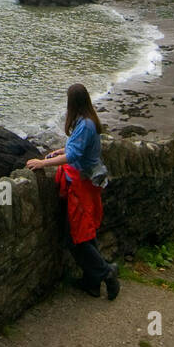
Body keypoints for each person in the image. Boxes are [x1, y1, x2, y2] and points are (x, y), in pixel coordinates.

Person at [26, 83, 120, 300]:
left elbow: (73, 156)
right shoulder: (87, 121)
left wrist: (42, 164)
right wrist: (61, 150)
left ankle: (107, 272)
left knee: (76, 237)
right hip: (87, 182)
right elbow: (76, 149)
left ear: (73, 103)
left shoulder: (85, 124)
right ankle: (92, 282)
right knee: (85, 233)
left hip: (82, 185)